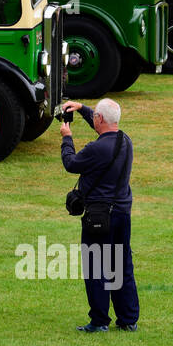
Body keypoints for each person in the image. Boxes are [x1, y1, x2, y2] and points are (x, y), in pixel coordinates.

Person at [60, 98, 139, 333]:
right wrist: (84, 109)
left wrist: (66, 138)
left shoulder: (96, 149)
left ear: (100, 119)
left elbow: (71, 164)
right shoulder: (126, 141)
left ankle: (99, 320)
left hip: (99, 216)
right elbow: (102, 124)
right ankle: (128, 319)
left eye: (95, 116)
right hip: (122, 214)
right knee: (122, 265)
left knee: (97, 268)